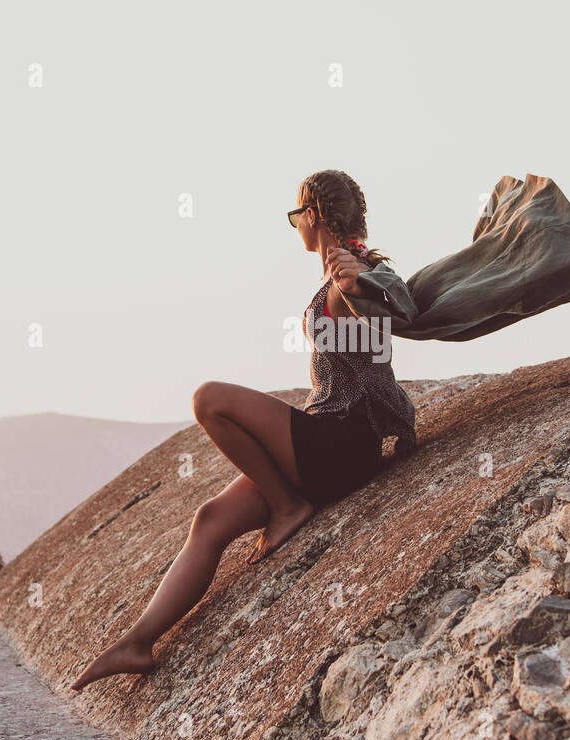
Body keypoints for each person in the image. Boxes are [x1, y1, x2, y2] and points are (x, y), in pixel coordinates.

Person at [71, 169, 416, 689]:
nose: (294, 224)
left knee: (209, 399)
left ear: (314, 215)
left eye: (295, 214)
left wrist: (356, 287)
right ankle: (137, 643)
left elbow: (379, 319)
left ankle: (286, 505)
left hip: (342, 441)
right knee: (210, 519)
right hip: (323, 440)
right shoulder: (339, 271)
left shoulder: (356, 273)